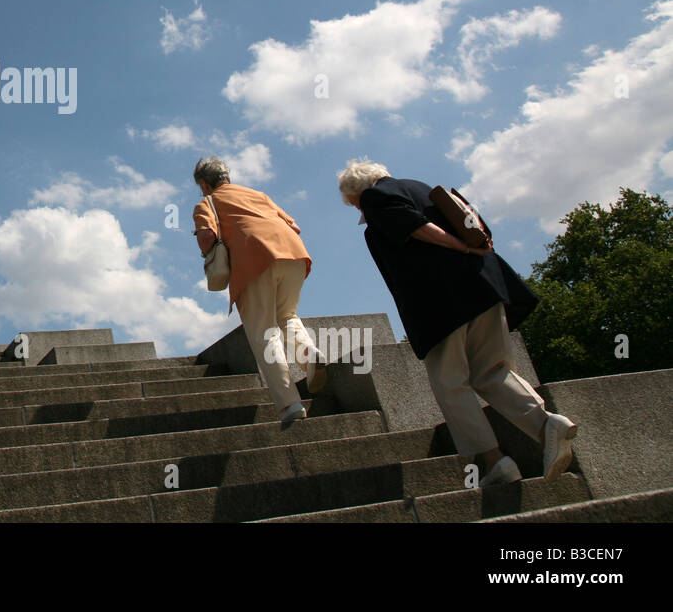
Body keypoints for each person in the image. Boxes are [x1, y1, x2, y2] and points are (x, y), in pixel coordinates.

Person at [336, 158, 578, 487]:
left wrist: (460, 248)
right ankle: (546, 424)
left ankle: (494, 462)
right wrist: (469, 249)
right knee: (493, 371)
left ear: (356, 192)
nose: (358, 210)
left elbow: (414, 227)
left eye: (353, 204)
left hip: (441, 302)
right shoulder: (422, 187)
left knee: (450, 384)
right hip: (484, 287)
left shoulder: (376, 197)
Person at [192, 156, 326, 424]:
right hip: (293, 254)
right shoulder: (257, 194)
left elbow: (207, 237)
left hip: (254, 260)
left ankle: (290, 404)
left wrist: (208, 250)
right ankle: (310, 356)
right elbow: (294, 226)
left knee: (264, 332)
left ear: (205, 184)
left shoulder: (207, 202)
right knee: (287, 315)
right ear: (227, 177)